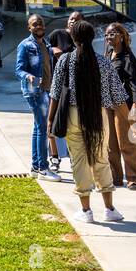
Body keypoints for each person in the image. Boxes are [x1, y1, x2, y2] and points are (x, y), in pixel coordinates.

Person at [46, 20, 128, 224]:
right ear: (93, 37)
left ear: (73, 38)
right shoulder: (104, 62)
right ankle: (109, 209)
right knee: (101, 159)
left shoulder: (65, 60)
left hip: (72, 116)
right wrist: (131, 121)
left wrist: (50, 120)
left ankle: (86, 211)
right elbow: (118, 96)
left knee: (79, 162)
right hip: (98, 116)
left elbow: (55, 93)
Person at [14, 15, 61, 181]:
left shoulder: (46, 44)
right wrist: (28, 76)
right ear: (29, 28)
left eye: (40, 23)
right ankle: (43, 168)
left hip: (46, 90)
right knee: (43, 128)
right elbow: (18, 70)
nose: (39, 26)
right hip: (35, 92)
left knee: (38, 128)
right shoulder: (25, 46)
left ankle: (35, 166)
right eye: (35, 24)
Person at [104, 22, 136, 188]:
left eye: (112, 34)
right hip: (108, 104)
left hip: (125, 105)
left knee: (127, 143)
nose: (109, 37)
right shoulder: (108, 53)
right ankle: (115, 178)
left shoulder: (128, 57)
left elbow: (135, 83)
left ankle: (135, 178)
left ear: (121, 36)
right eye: (107, 34)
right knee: (110, 145)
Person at [46, 11, 83, 172]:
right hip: (58, 85)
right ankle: (54, 157)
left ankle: (75, 158)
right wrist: (53, 50)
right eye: (71, 19)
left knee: (74, 124)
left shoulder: (82, 40)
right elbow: (45, 47)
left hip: (76, 88)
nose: (73, 21)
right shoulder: (57, 34)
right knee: (52, 121)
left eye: (77, 20)